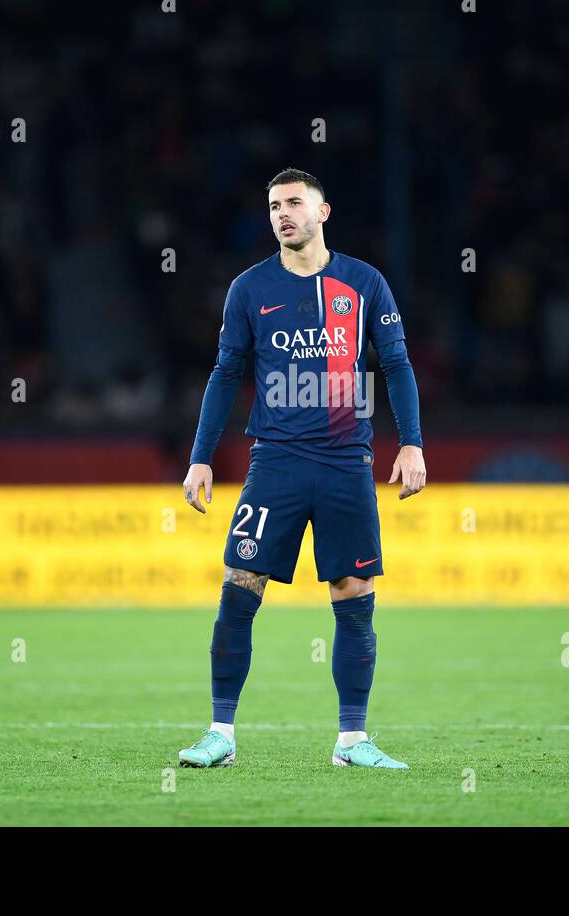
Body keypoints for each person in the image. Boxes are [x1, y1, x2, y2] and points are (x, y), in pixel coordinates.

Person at [178, 168, 426, 770]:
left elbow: (396, 363)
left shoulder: (364, 283)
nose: (282, 214)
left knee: (354, 592)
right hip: (277, 463)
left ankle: (352, 742)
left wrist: (412, 444)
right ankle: (220, 734)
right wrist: (202, 457)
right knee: (240, 588)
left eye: (294, 203)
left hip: (347, 465)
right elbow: (225, 375)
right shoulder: (248, 289)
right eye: (273, 206)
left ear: (323, 212)